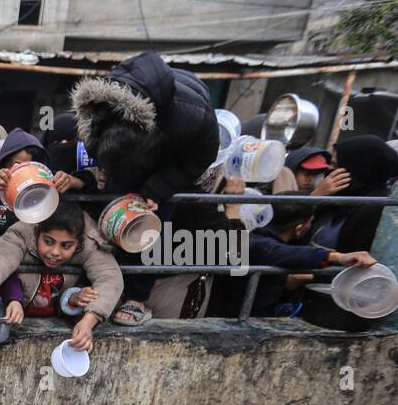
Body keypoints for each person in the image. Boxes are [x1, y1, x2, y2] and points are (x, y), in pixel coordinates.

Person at [0, 200, 123, 354]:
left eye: (66, 245)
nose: (55, 252)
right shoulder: (22, 233)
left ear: (79, 243)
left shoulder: (89, 242)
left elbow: (110, 277)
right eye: (48, 242)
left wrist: (88, 321)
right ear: (37, 232)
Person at [71, 50, 218, 206]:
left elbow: (198, 159)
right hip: (141, 134)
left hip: (175, 142)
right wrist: (103, 170)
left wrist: (158, 189)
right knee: (114, 200)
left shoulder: (196, 118)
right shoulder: (95, 117)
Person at [208, 195, 377, 318]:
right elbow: (285, 253)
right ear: (299, 228)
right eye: (310, 221)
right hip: (242, 317)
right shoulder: (260, 244)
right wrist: (338, 257)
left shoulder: (258, 237)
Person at [309, 136, 398, 254]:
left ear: (357, 170)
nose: (329, 170)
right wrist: (314, 198)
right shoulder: (333, 200)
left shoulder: (375, 210)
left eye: (335, 165)